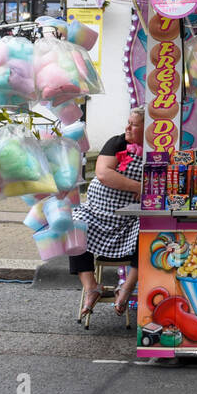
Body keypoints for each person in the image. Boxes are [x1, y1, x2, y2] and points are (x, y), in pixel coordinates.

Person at [72, 108, 145, 321]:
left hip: (128, 220)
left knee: (150, 231)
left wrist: (131, 186)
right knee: (75, 225)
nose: (127, 128)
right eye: (128, 122)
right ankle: (91, 287)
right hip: (96, 213)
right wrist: (139, 186)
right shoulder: (117, 142)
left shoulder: (156, 150)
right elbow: (104, 174)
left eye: (134, 125)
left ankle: (126, 289)